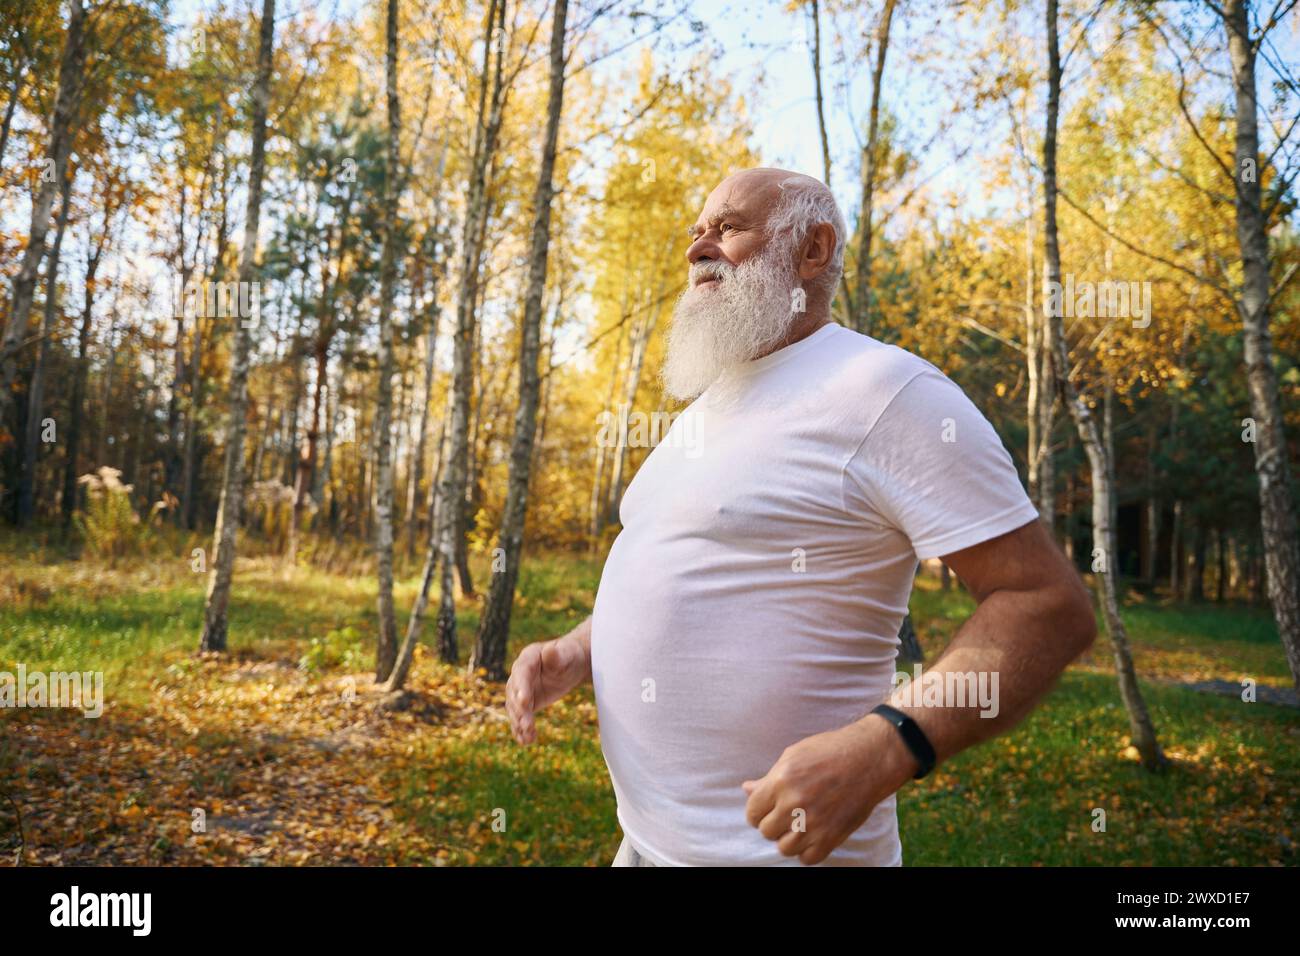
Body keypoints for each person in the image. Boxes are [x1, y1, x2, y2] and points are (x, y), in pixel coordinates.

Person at [505, 167, 1096, 866]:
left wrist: (889, 744)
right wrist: (581, 649)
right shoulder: (705, 409)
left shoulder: (885, 391)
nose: (698, 248)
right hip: (646, 849)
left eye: (727, 228)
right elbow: (695, 572)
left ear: (813, 250)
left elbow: (1045, 605)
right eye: (696, 231)